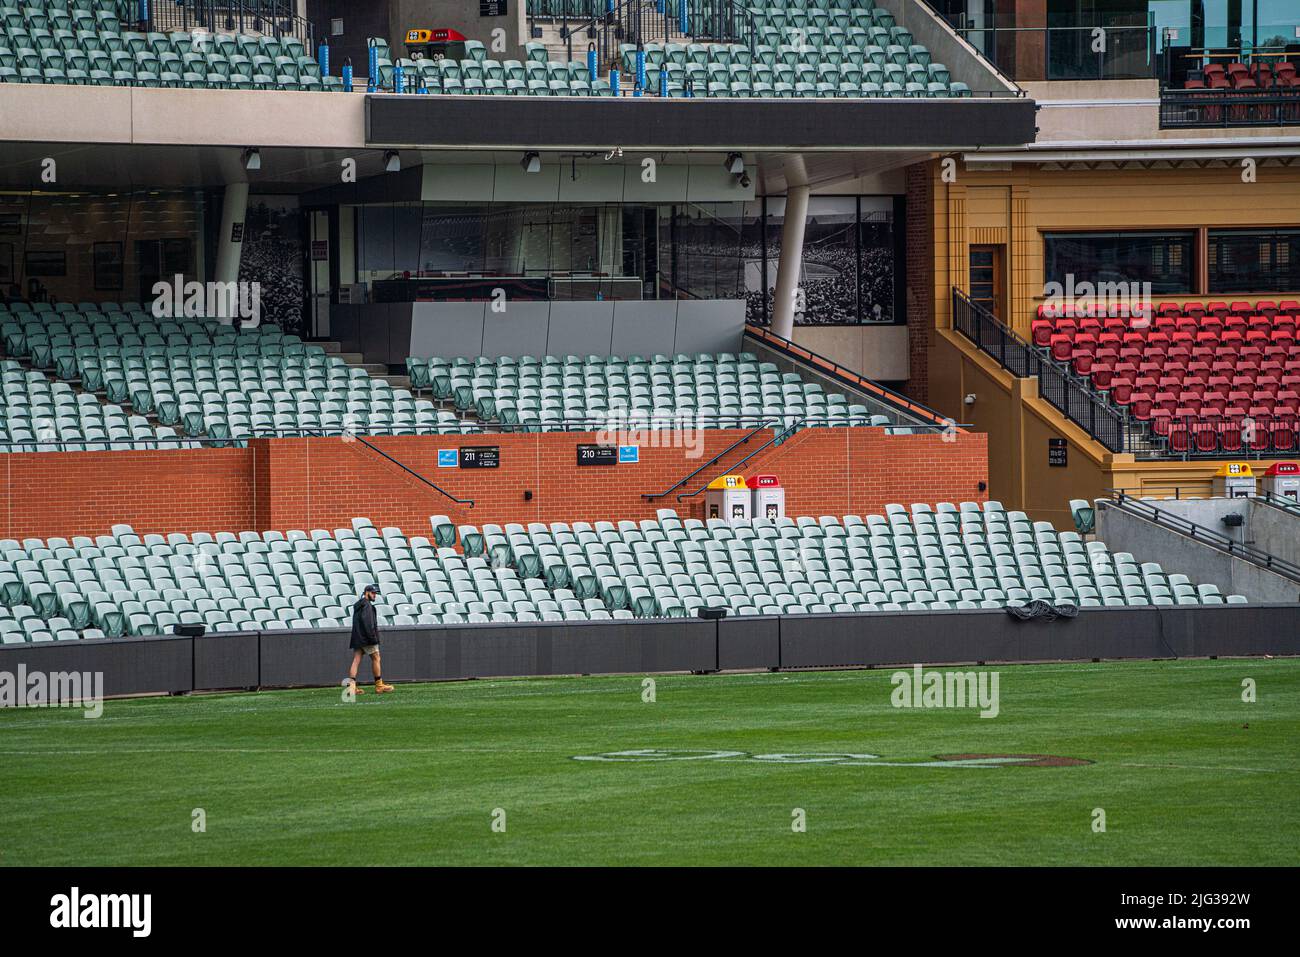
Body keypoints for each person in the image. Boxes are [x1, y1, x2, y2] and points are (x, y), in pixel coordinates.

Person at [348, 584, 393, 695]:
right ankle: (379, 685)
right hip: (366, 638)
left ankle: (351, 688)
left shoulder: (358, 605)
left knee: (356, 660)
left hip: (357, 637)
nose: (375, 595)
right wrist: (373, 638)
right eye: (373, 593)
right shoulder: (367, 605)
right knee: (376, 658)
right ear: (366, 592)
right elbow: (368, 624)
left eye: (375, 593)